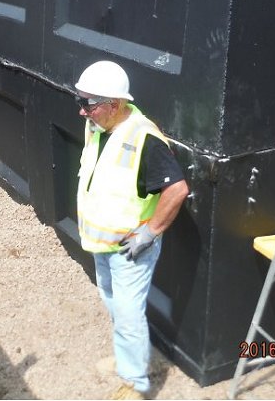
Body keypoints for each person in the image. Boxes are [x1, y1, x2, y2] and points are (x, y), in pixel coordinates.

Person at [74, 60, 189, 397]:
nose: (82, 112)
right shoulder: (99, 127)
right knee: (113, 304)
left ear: (115, 104)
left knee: (127, 315)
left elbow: (177, 189)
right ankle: (131, 357)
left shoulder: (145, 139)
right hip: (101, 242)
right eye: (79, 101)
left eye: (88, 104)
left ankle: (136, 383)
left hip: (130, 247)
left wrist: (150, 233)